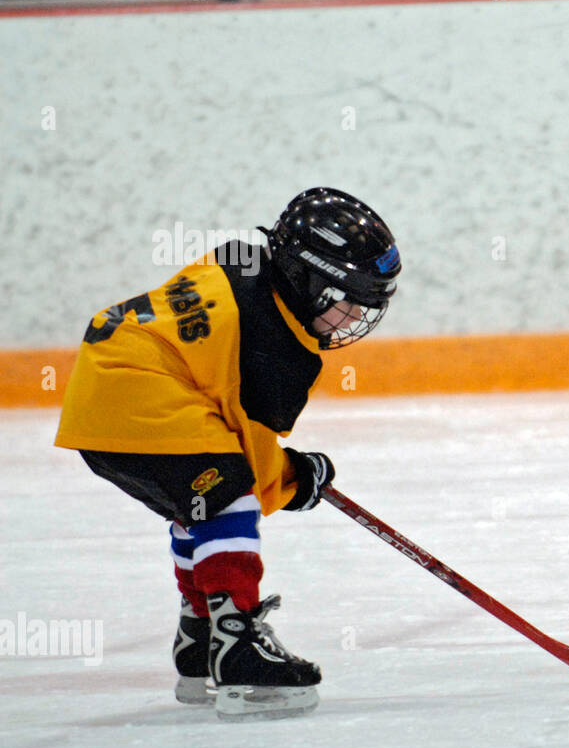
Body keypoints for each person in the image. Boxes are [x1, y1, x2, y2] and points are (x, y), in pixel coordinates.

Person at [54, 188, 401, 720]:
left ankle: (201, 639)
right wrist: (295, 478)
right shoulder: (276, 342)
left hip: (105, 396)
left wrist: (287, 473)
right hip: (139, 395)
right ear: (308, 279)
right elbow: (256, 465)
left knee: (201, 497)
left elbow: (227, 414)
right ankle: (237, 644)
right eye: (343, 298)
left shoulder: (244, 266)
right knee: (227, 495)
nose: (352, 314)